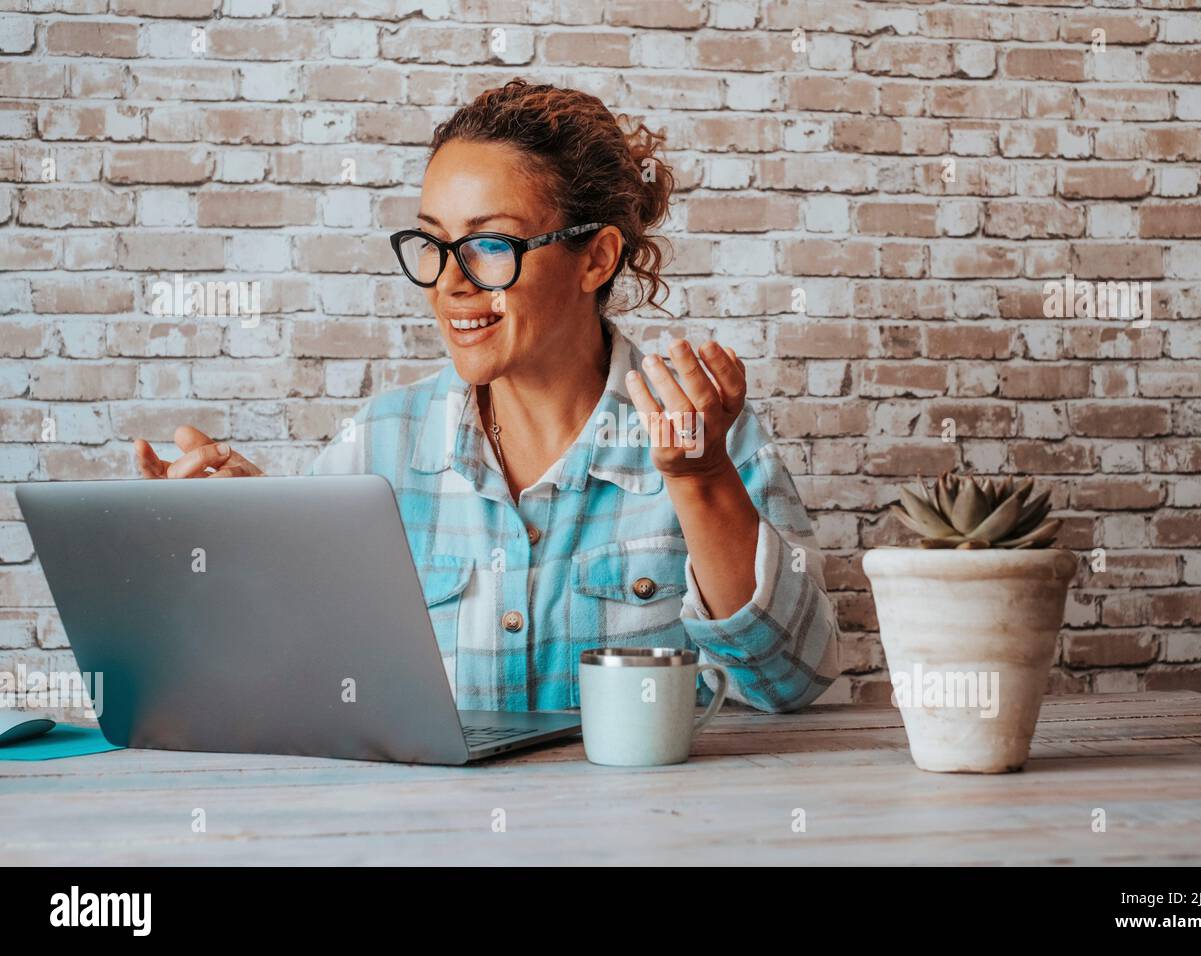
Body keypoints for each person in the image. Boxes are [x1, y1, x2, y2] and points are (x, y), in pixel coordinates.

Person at [134, 79, 840, 714]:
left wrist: (701, 480)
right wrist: (245, 539)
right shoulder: (380, 444)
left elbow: (791, 680)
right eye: (435, 243)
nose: (450, 283)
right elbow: (298, 680)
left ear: (595, 257)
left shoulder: (708, 437)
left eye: (490, 246)